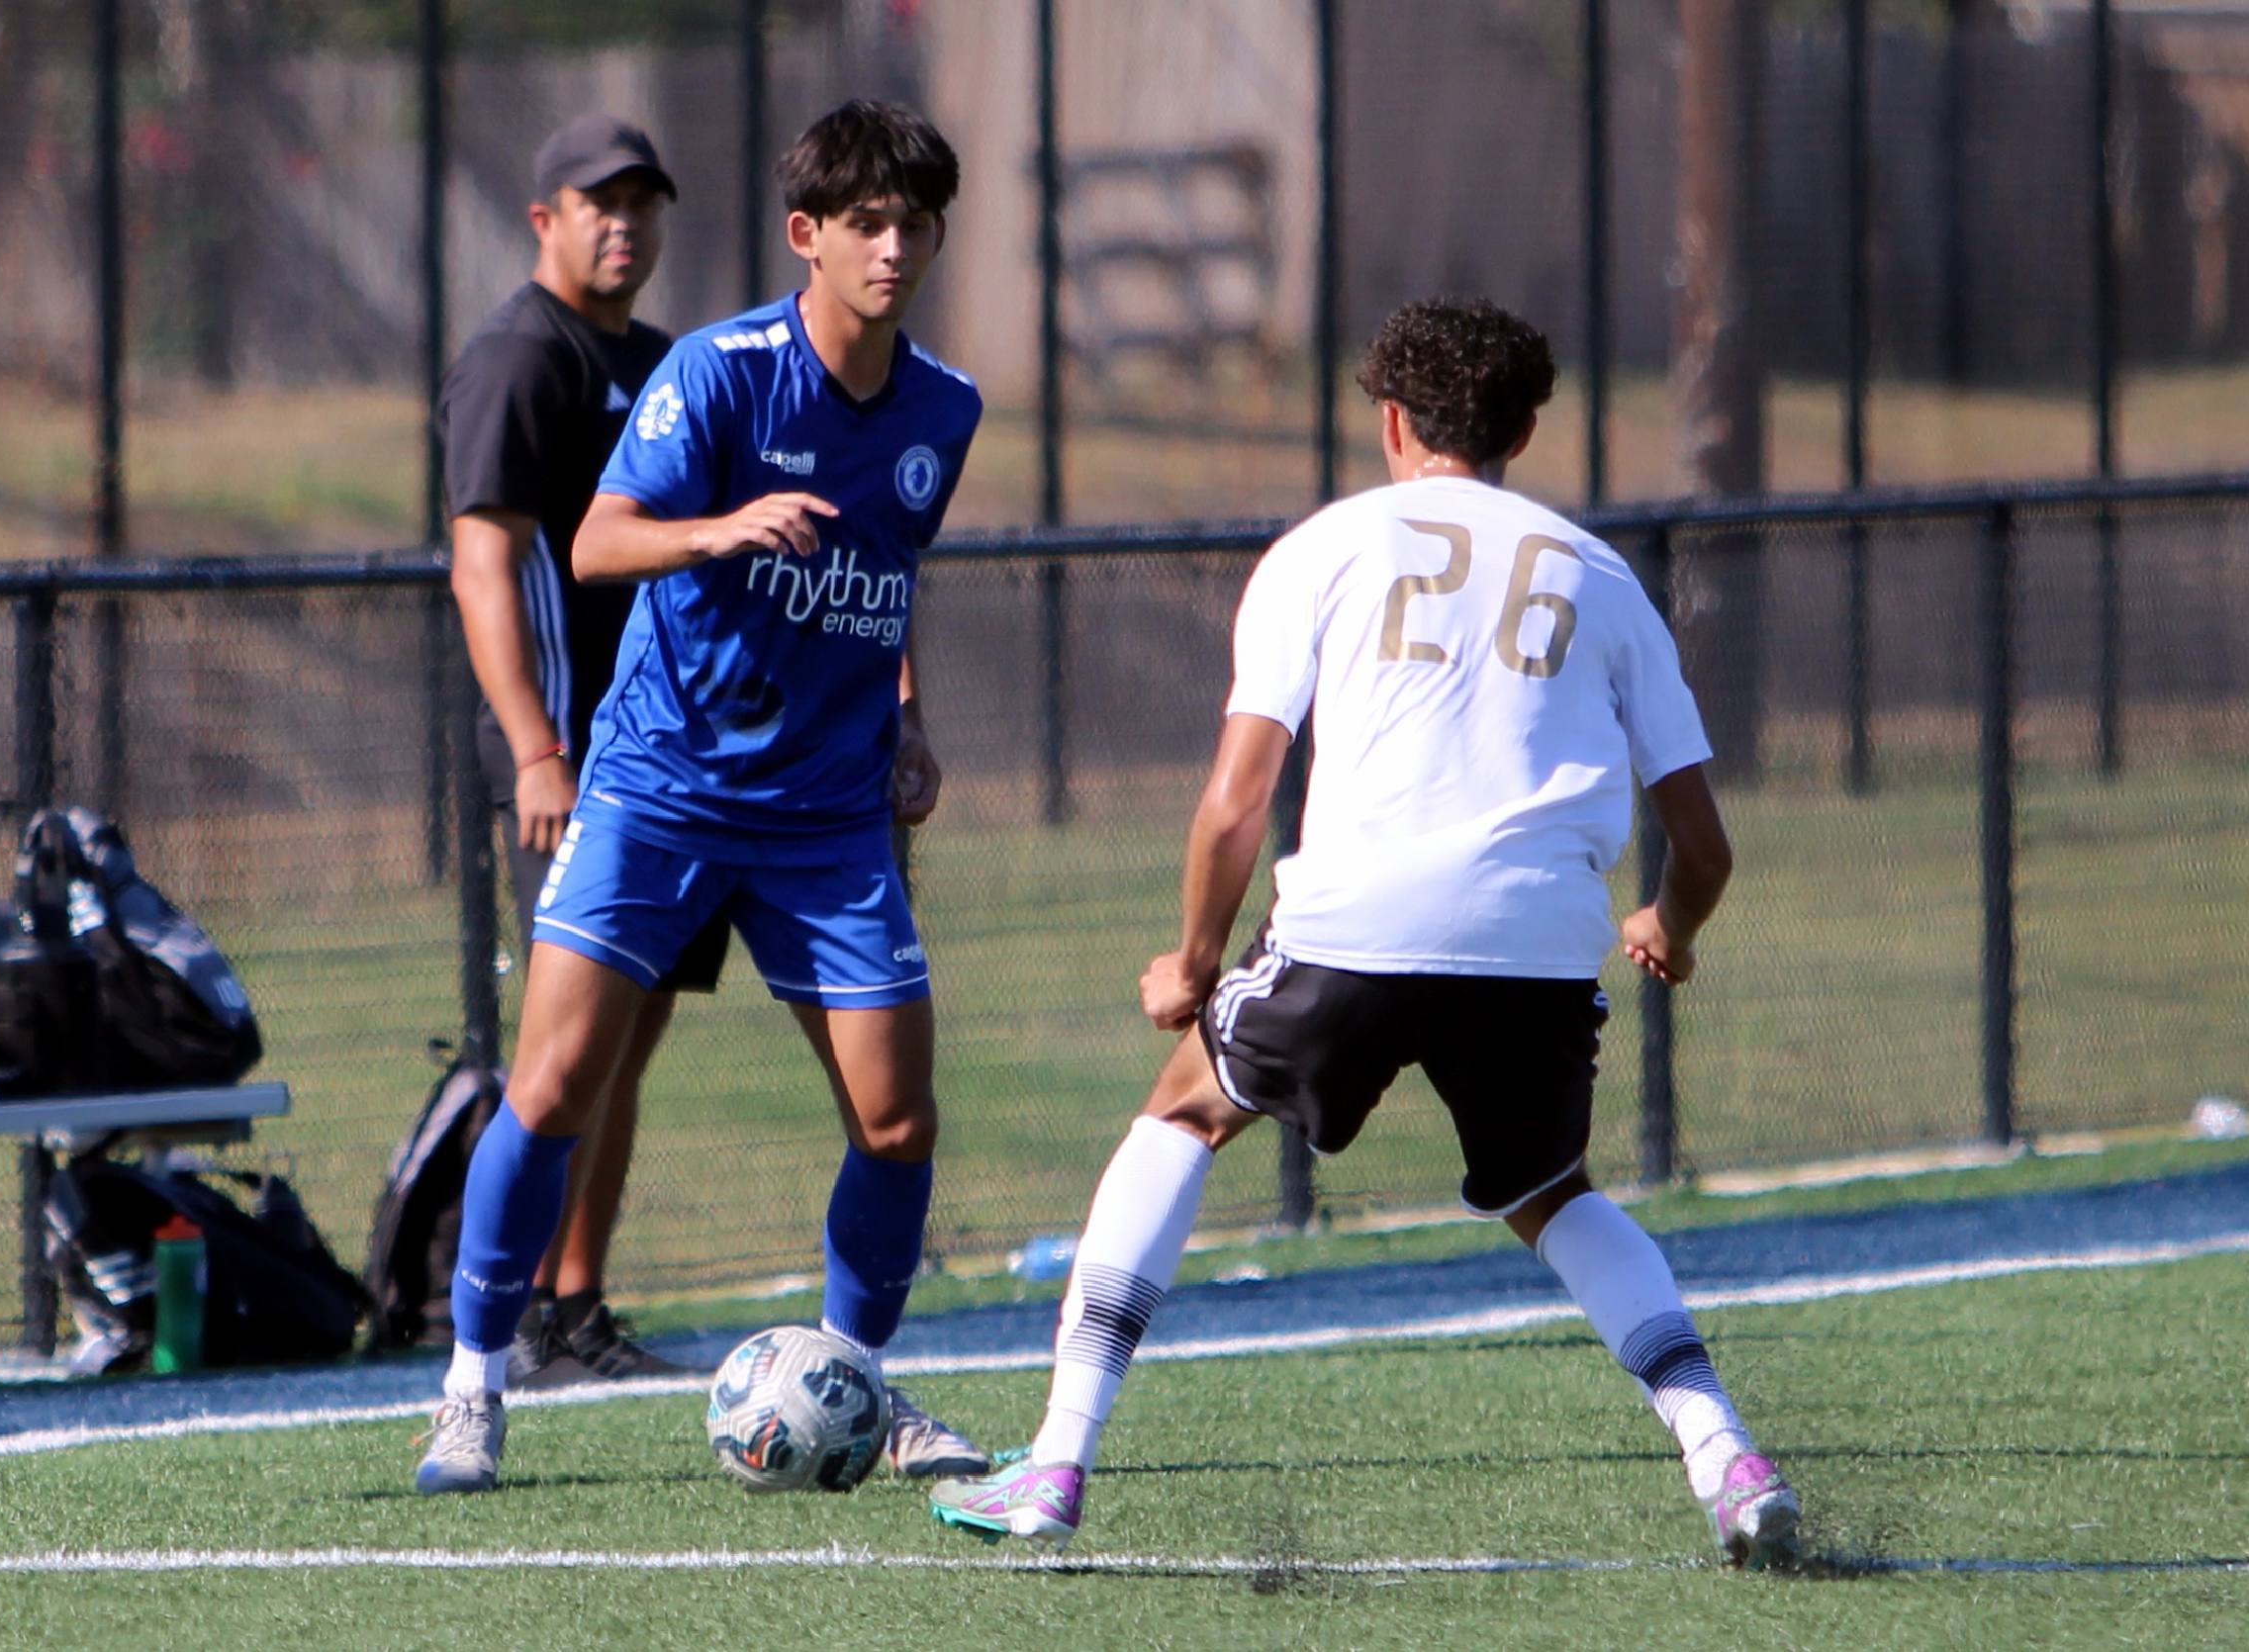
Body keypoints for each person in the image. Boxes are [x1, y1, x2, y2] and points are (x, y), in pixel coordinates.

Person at [928, 298, 1801, 1569]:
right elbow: (1704, 845)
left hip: (1354, 927)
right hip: (1536, 940)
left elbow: (1236, 798)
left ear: (1390, 421)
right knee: (1550, 1191)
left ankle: (1056, 1458)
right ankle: (1725, 1453)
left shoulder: (1320, 550)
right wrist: (1668, 921)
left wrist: (1192, 960)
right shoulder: (1602, 576)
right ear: (1522, 430)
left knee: (1183, 1111)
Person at [418, 101, 991, 1495]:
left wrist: (909, 720)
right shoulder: (718, 372)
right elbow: (597, 542)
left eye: (916, 225)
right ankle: (472, 1384)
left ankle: (856, 1383)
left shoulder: (946, 406)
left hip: (827, 815)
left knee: (898, 1120)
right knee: (552, 1086)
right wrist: (720, 529)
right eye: (867, 223)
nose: (895, 248)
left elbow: (883, 580)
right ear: (807, 235)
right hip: (660, 788)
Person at [440, 113, 732, 1384]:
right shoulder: (522, 356)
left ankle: (576, 1310)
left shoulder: (663, 361)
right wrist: (535, 748)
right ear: (543, 219)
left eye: (643, 201)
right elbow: (484, 567)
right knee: (564, 1053)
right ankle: (501, 1325)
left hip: (671, 759)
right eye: (598, 201)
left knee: (626, 1041)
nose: (624, 223)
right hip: (575, 766)